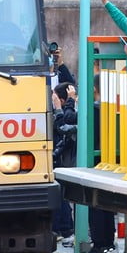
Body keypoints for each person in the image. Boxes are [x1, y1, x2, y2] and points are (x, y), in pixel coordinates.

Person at [51, 83, 78, 244]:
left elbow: (64, 126)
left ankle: (68, 230)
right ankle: (66, 229)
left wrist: (65, 104)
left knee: (66, 196)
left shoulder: (74, 112)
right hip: (68, 160)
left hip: (74, 161)